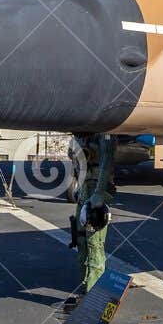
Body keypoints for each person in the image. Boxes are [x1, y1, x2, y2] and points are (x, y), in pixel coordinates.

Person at [63, 133, 116, 313]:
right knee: (81, 241)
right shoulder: (80, 133)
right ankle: (88, 286)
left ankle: (95, 295)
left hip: (96, 190)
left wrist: (100, 194)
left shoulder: (104, 131)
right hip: (85, 190)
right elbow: (77, 162)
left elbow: (107, 161)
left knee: (94, 244)